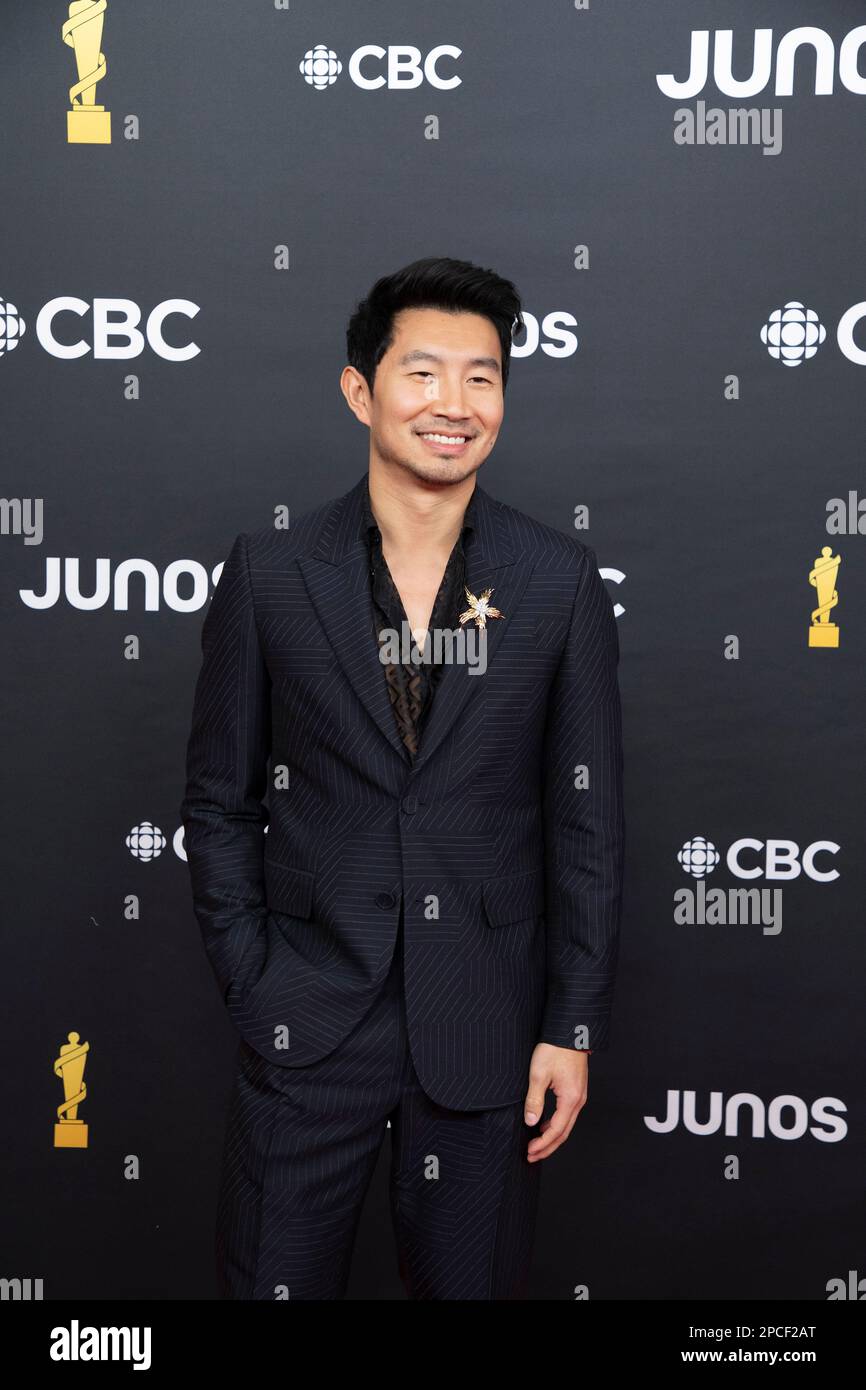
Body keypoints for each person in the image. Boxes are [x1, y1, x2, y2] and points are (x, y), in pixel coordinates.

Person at [179, 255, 625, 1300]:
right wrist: (255, 979)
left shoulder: (555, 583)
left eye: (481, 377)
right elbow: (218, 799)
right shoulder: (272, 574)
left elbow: (586, 825)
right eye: (422, 373)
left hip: (483, 1030)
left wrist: (570, 1025)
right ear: (359, 389)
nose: (454, 404)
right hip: (306, 1022)